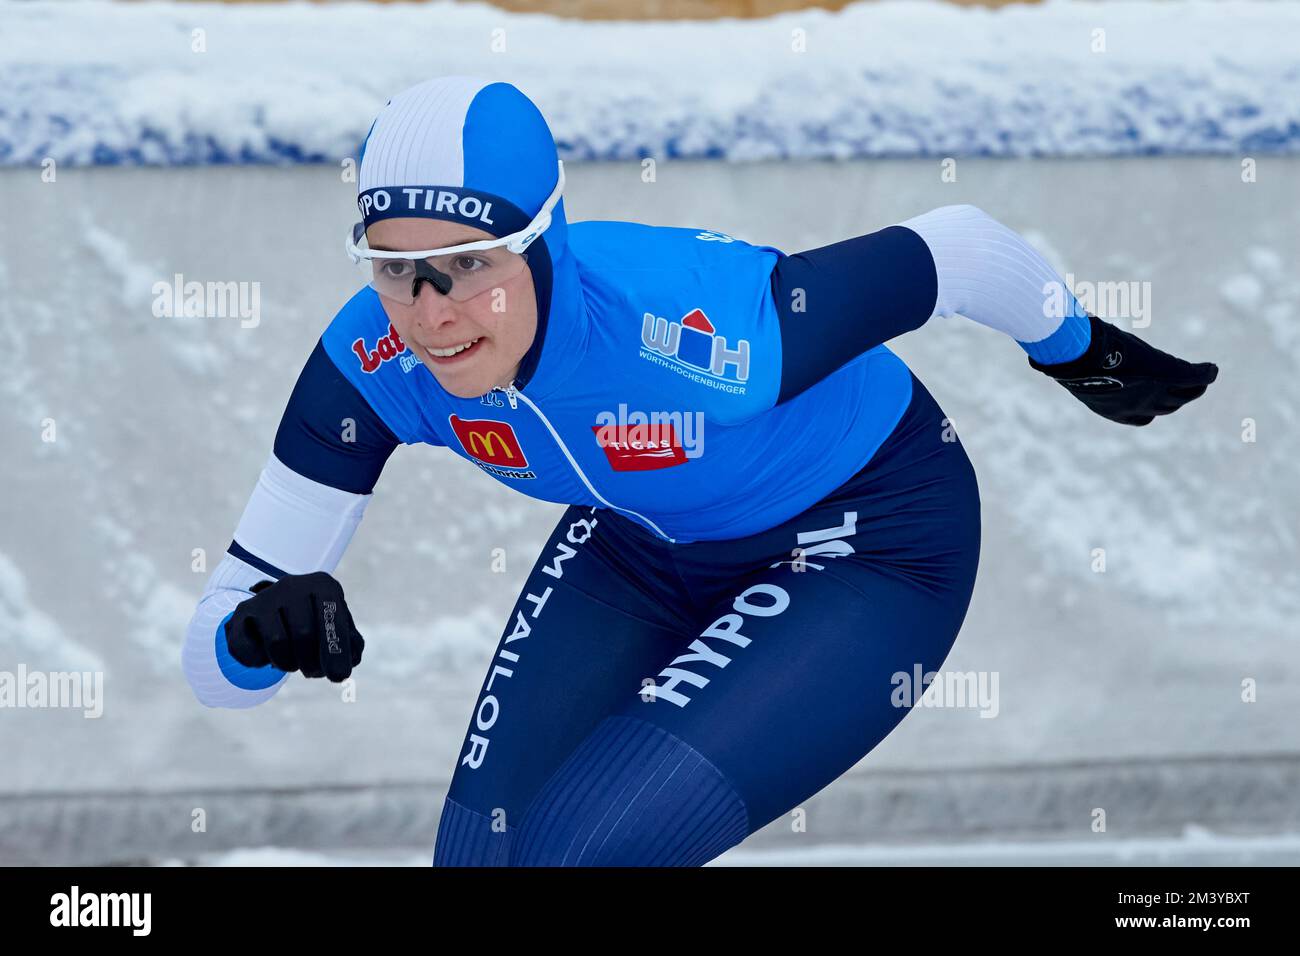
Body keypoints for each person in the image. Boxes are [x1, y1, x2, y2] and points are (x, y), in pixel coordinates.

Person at [181, 76, 1219, 866]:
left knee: (575, 853)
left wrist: (1078, 346)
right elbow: (214, 667)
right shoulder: (371, 364)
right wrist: (253, 633)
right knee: (484, 859)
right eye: (395, 269)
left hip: (867, 540)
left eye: (471, 264)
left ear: (545, 247)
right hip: (643, 538)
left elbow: (953, 250)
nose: (431, 311)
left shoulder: (697, 330)